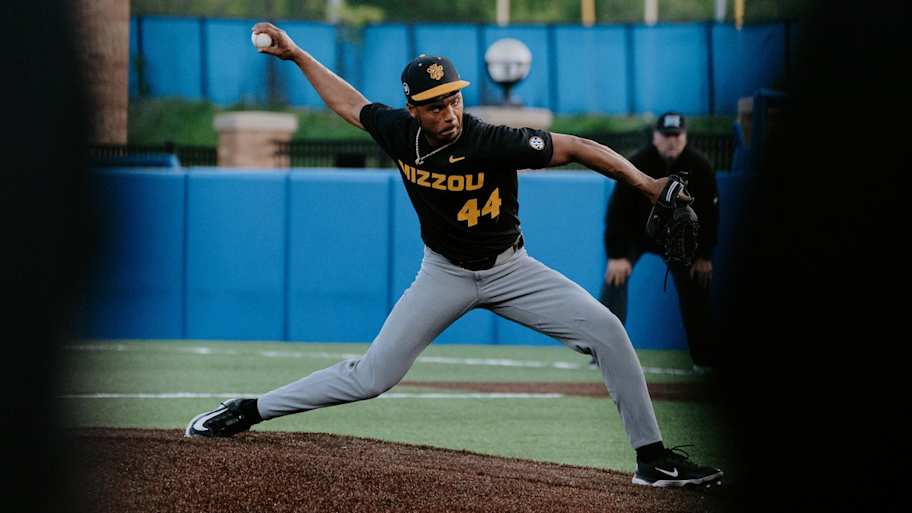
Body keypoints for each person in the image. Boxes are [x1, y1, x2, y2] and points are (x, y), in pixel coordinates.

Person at [185, 21, 723, 488]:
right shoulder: (400, 132)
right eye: (437, 103)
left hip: (512, 270)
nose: (450, 109)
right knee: (373, 376)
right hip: (442, 273)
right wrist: (299, 54)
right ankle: (248, 409)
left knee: (608, 330)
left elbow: (580, 147)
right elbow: (348, 103)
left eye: (455, 96)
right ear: (413, 109)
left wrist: (649, 184)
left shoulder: (491, 140)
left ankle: (652, 461)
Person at [593, 113, 720, 373]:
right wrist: (617, 255)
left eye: (677, 135)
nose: (672, 141)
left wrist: (705, 254)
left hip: (679, 239)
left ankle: (704, 357)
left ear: (685, 137)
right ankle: (603, 353)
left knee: (696, 282)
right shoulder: (638, 162)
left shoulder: (700, 167)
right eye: (666, 135)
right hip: (637, 234)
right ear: (655, 137)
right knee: (615, 277)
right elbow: (617, 211)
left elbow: (710, 214)